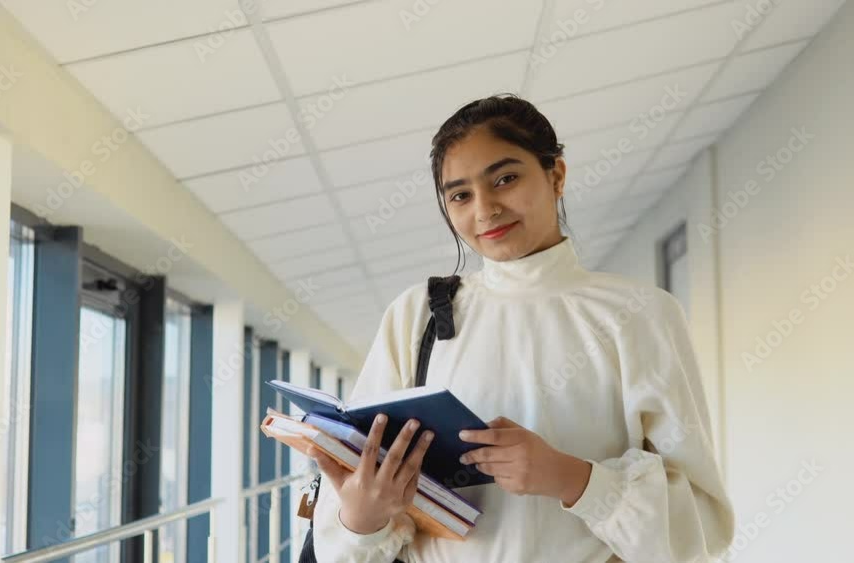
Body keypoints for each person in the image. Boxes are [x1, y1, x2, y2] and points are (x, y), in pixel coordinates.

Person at [304, 94, 735, 563]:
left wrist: (574, 479)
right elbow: (339, 541)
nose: (485, 210)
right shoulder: (416, 316)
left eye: (505, 179)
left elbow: (702, 531)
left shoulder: (639, 314)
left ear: (556, 175)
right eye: (460, 195)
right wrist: (362, 520)